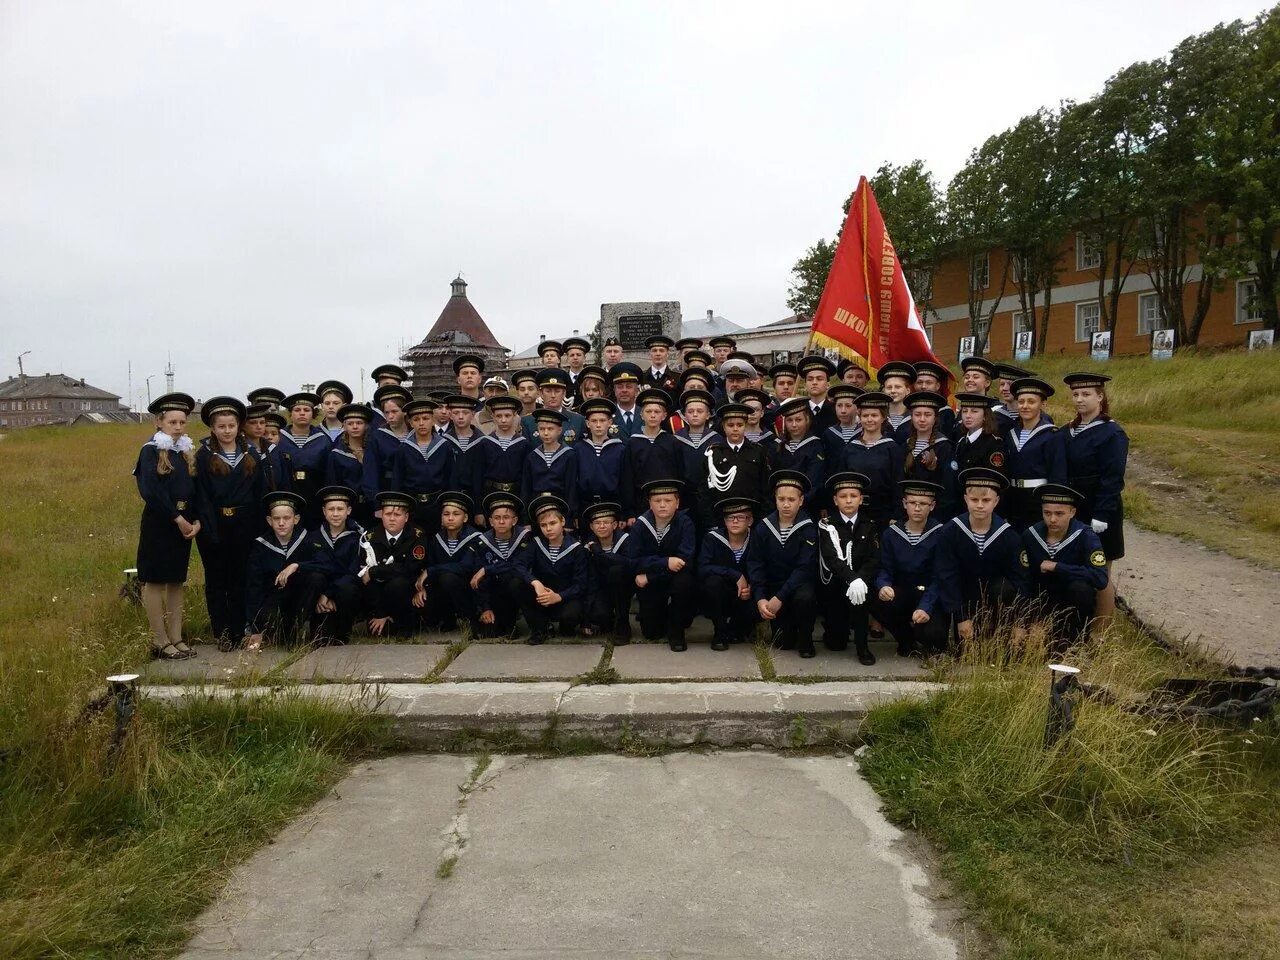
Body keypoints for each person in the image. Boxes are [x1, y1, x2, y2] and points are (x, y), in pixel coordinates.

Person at [195, 396, 267, 651]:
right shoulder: (203, 456)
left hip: (245, 525)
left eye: (231, 426)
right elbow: (200, 495)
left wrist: (259, 527)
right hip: (214, 525)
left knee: (240, 579)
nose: (227, 431)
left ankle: (239, 629)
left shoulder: (251, 455)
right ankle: (222, 632)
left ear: (239, 427)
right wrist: (207, 525)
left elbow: (260, 494)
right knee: (217, 581)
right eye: (221, 427)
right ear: (213, 429)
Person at [134, 392, 201, 660]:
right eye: (172, 422)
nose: (178, 427)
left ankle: (176, 637)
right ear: (159, 422)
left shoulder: (184, 452)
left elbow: (193, 489)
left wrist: (194, 520)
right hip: (161, 523)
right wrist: (177, 518)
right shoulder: (150, 451)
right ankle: (159, 639)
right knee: (155, 580)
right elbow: (151, 490)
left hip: (184, 524)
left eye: (182, 422)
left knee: (176, 580)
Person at [1061, 371, 1128, 627]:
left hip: (1102, 508)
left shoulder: (1112, 433)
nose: (1080, 399)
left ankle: (1101, 630)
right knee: (1076, 567)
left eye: (1086, 394)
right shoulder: (1069, 431)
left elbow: (1113, 478)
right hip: (1075, 506)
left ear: (1100, 397)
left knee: (1101, 572)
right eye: (1076, 394)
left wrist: (1102, 513)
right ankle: (1077, 624)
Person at [935, 468, 1027, 645]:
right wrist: (961, 617)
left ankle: (1000, 634)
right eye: (974, 499)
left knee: (1004, 588)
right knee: (964, 652)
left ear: (996, 501)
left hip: (995, 599)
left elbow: (1021, 579)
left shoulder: (1009, 536)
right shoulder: (950, 531)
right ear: (965, 499)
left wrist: (1020, 621)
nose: (979, 505)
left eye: (986, 500)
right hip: (962, 599)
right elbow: (946, 575)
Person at [1022, 484, 1108, 650]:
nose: (1052, 519)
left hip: (1070, 601)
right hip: (1040, 601)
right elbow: (1023, 575)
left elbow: (1100, 578)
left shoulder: (1085, 536)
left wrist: (1058, 567)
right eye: (1047, 513)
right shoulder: (1030, 535)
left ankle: (1075, 643)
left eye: (1059, 513)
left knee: (1081, 589)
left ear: (1072, 512)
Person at [871, 481, 949, 657]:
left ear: (932, 506)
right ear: (905, 504)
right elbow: (885, 567)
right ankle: (906, 640)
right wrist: (884, 585)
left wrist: (926, 607)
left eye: (923, 504)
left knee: (934, 635)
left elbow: (940, 576)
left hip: (930, 595)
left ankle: (925, 638)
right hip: (903, 592)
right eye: (913, 503)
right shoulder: (891, 534)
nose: (917, 508)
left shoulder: (941, 534)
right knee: (875, 599)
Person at [748, 470, 819, 656]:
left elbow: (805, 568)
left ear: (801, 500)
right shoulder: (763, 527)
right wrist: (760, 597)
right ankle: (787, 629)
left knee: (805, 598)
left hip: (797, 587)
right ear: (775, 499)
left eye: (791, 499)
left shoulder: (809, 528)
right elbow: (755, 563)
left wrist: (780, 597)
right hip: (773, 588)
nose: (786, 504)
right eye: (781, 499)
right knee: (783, 644)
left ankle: (806, 638)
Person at [622, 479, 696, 650]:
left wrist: (651, 575)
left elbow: (685, 561)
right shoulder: (640, 526)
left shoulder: (685, 523)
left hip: (668, 577)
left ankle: (677, 632)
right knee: (652, 633)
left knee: (684, 581)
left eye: (668, 500)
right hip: (652, 583)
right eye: (657, 501)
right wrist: (665, 562)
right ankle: (662, 615)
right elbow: (633, 562)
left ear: (677, 503)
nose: (662, 505)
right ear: (650, 503)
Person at [817, 472, 880, 664]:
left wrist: (860, 580)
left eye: (853, 496)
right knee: (836, 644)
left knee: (861, 604)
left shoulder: (870, 525)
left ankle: (863, 647)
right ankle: (832, 627)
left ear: (861, 499)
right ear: (835, 500)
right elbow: (831, 558)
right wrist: (852, 579)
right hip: (837, 586)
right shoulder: (827, 525)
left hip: (863, 583)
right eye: (843, 497)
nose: (849, 501)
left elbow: (873, 558)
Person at [243, 490, 315, 651]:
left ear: (296, 519)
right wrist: (256, 628)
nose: (281, 523)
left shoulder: (307, 540)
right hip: (274, 599)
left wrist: (297, 565)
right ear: (269, 520)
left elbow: (324, 564)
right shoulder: (261, 546)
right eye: (276, 518)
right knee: (273, 626)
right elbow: (254, 586)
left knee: (315, 578)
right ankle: (280, 631)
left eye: (287, 518)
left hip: (300, 599)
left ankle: (301, 626)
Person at [516, 494, 591, 644]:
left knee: (572, 614)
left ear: (562, 521)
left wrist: (559, 596)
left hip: (564, 598)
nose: (548, 529)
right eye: (543, 525)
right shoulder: (536, 545)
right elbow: (518, 565)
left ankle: (566, 626)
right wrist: (535, 582)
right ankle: (540, 629)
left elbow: (581, 584)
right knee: (517, 583)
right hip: (542, 597)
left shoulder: (576, 549)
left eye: (553, 523)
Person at [297, 485, 364, 645]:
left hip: (342, 596)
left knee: (348, 587)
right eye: (331, 509)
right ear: (324, 511)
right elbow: (310, 570)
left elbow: (354, 572)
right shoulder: (312, 538)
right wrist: (321, 596)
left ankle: (345, 628)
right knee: (322, 640)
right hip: (320, 600)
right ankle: (302, 625)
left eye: (340, 509)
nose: (335, 514)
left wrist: (329, 594)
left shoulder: (358, 538)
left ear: (348, 511)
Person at [361, 490, 430, 639]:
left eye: (397, 515)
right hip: (378, 596)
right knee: (379, 633)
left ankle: (404, 623)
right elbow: (363, 575)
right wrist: (381, 613)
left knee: (399, 583)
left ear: (406, 517)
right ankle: (383, 617)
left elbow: (411, 568)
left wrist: (376, 571)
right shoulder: (369, 537)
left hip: (405, 592)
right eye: (387, 514)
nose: (392, 519)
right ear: (381, 515)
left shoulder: (417, 535)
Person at [1003, 377, 1065, 530]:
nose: (1024, 406)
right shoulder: (1010, 433)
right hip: (1013, 498)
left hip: (1037, 499)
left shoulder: (1051, 435)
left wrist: (1052, 504)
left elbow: (1057, 474)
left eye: (1031, 401)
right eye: (1021, 401)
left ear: (1042, 404)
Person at [696, 401, 770, 528]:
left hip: (752, 519)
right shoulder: (713, 453)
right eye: (730, 425)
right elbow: (704, 492)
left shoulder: (758, 452)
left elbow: (765, 489)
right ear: (724, 427)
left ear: (745, 426)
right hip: (721, 519)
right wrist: (711, 523)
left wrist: (761, 520)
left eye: (739, 425)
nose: (735, 429)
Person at [417, 491, 482, 633]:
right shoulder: (436, 539)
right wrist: (422, 588)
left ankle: (470, 618)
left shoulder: (476, 538)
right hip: (443, 589)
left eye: (456, 514)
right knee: (423, 605)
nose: (450, 518)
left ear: (465, 518)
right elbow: (430, 564)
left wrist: (431, 571)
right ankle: (447, 618)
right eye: (446, 514)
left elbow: (465, 567)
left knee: (448, 578)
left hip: (470, 589)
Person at [698, 497, 757, 650]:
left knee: (759, 601)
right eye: (730, 517)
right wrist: (734, 574)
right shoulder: (712, 539)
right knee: (712, 583)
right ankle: (720, 631)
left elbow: (763, 567)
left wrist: (752, 586)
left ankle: (740, 627)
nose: (735, 521)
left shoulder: (758, 539)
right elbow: (702, 568)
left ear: (750, 520)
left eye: (740, 517)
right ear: (724, 521)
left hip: (745, 595)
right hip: (722, 594)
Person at [393, 397, 459, 535]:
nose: (421, 423)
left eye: (426, 418)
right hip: (412, 505)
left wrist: (449, 506)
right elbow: (398, 480)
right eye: (416, 419)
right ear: (410, 422)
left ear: (433, 420)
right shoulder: (404, 448)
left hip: (437, 504)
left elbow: (451, 479)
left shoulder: (444, 446)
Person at [471, 492, 532, 639]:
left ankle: (534, 624)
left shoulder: (525, 538)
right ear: (491, 521)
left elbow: (517, 565)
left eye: (506, 517)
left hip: (520, 587)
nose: (502, 522)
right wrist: (485, 608)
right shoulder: (482, 542)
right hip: (495, 592)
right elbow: (479, 578)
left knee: (513, 581)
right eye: (497, 518)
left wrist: (487, 569)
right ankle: (498, 620)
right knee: (490, 632)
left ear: (515, 520)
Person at [619, 388, 680, 522]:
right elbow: (627, 479)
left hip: (667, 502)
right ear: (641, 415)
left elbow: (679, 474)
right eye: (648, 411)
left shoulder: (672, 442)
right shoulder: (633, 443)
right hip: (641, 504)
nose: (652, 415)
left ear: (664, 416)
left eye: (657, 412)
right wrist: (629, 512)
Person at [840, 392, 901, 526]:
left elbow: (897, 483)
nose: (869, 419)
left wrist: (896, 514)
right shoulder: (850, 448)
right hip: (855, 511)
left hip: (883, 512)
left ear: (883, 418)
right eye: (865, 416)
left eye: (874, 415)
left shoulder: (891, 448)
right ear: (859, 418)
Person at [468, 395, 529, 525]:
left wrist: (524, 513)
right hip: (490, 495)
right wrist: (478, 510)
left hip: (515, 496)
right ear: (493, 417)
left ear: (515, 416)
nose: (503, 420)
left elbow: (526, 479)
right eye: (499, 416)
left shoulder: (524, 444)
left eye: (507, 416)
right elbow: (477, 477)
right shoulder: (484, 443)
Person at [271, 392, 330, 524]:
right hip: (286, 496)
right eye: (297, 410)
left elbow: (328, 474)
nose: (302, 413)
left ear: (313, 414)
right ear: (290, 414)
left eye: (306, 410)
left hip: (314, 497)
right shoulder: (279, 438)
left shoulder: (323, 440)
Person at [580, 501, 634, 640]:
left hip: (625, 588)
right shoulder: (587, 547)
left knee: (616, 571)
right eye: (597, 523)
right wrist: (585, 619)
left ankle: (623, 624)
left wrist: (600, 555)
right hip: (601, 589)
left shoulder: (626, 540)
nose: (602, 526)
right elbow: (589, 580)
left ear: (615, 525)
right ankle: (609, 619)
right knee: (599, 616)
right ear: (591, 527)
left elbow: (630, 563)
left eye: (606, 522)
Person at [900, 391, 957, 520]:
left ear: (935, 418)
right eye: (917, 414)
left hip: (936, 514)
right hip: (908, 512)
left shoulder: (944, 447)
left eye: (927, 414)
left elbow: (948, 488)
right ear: (912, 417)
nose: (922, 419)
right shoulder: (905, 446)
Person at [521, 407, 579, 521]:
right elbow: (526, 489)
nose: (546, 433)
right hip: (536, 506)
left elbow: (571, 488)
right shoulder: (532, 456)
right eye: (542, 429)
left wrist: (569, 519)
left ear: (559, 430)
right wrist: (525, 519)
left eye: (550, 429)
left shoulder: (569, 455)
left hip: (561, 507)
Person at [772, 396, 827, 517]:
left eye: (798, 420)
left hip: (807, 506)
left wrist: (800, 501)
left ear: (807, 420)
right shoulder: (777, 445)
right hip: (781, 506)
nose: (794, 424)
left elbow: (815, 479)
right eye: (789, 420)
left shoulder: (815, 445)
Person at [362, 384, 412, 509]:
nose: (390, 416)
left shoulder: (415, 434)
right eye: (387, 412)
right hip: (387, 491)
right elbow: (371, 472)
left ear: (404, 411)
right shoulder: (377, 437)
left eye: (395, 411)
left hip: (412, 490)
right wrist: (376, 504)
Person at [325, 403, 373, 529]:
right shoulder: (336, 454)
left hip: (372, 507)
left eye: (359, 423)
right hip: (348, 508)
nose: (355, 427)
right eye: (350, 423)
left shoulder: (374, 451)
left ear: (366, 425)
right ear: (344, 426)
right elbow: (333, 484)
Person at [574, 397, 625, 508]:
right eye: (594, 421)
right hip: (585, 506)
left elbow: (625, 482)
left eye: (602, 420)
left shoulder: (620, 449)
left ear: (610, 422)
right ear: (587, 423)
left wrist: (624, 513)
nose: (598, 425)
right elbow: (574, 482)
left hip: (612, 504)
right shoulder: (579, 449)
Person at [951, 394, 1007, 495]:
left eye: (974, 411)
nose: (968, 415)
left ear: (985, 416)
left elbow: (995, 480)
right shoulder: (961, 442)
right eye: (964, 411)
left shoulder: (994, 443)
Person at [672, 388, 721, 493]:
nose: (695, 414)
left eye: (700, 411)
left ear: (708, 415)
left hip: (710, 493)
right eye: (690, 411)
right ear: (684, 415)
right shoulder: (675, 439)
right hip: (683, 493)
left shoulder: (717, 440)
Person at [522, 369, 585, 442]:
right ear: (541, 393)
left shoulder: (578, 420)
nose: (553, 395)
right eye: (548, 391)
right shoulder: (528, 422)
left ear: (564, 393)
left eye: (557, 391)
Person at [877, 361, 917, 444]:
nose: (893, 391)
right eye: (889, 387)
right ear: (884, 390)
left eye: (898, 387)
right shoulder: (877, 415)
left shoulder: (916, 416)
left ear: (907, 390)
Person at [912, 361, 956, 436]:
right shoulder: (908, 409)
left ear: (937, 386)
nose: (923, 386)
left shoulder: (946, 412)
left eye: (928, 383)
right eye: (919, 382)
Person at [797, 355, 837, 431]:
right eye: (810, 379)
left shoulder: (836, 410)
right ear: (805, 385)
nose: (814, 382)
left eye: (819, 379)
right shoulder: (799, 410)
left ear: (828, 384)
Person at [609, 362, 644, 438]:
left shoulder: (646, 414)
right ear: (614, 390)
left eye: (629, 387)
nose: (624, 390)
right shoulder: (607, 415)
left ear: (637, 390)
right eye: (620, 387)